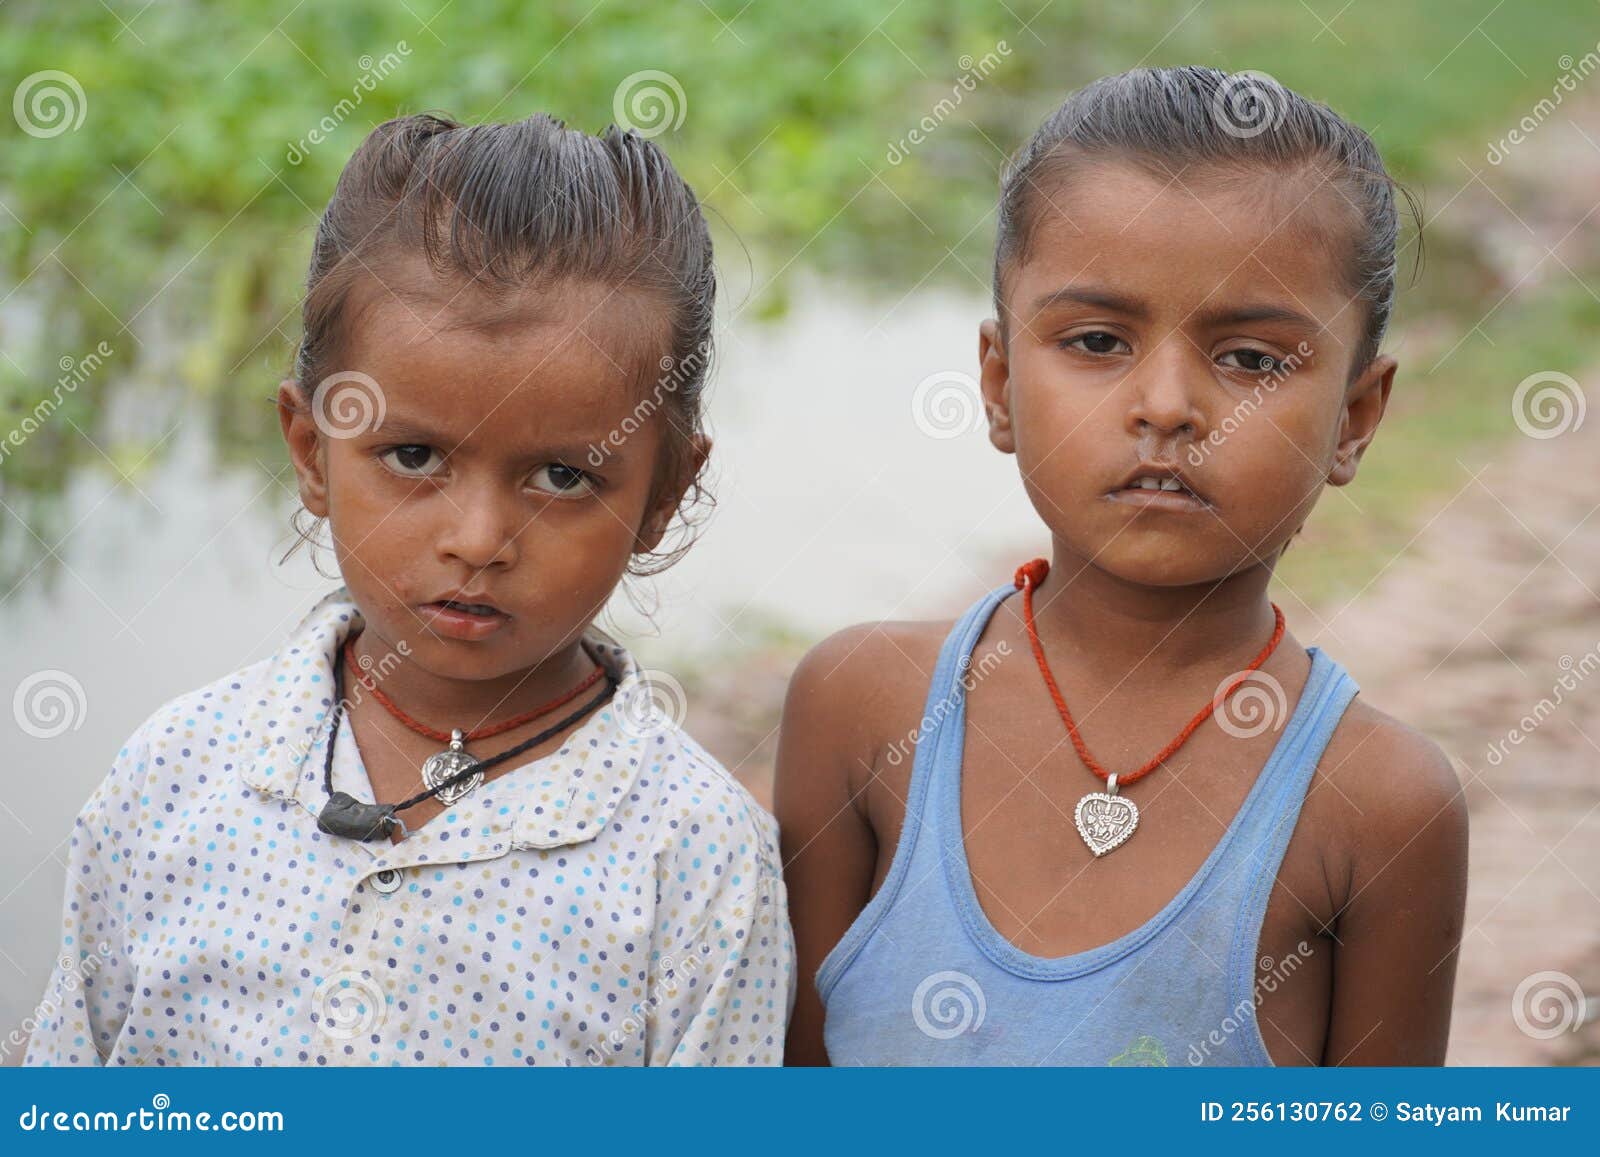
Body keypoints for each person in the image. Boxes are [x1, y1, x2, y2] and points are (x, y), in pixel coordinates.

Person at [25, 111, 793, 1066]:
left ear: (664, 493)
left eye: (562, 476)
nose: (478, 541)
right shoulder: (176, 777)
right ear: (312, 450)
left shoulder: (696, 859)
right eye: (414, 455)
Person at [776, 67, 1468, 1066]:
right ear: (1000, 384)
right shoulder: (861, 708)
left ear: (1355, 418)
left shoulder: (1379, 803)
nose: (1168, 405)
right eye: (1097, 340)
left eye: (1252, 359)